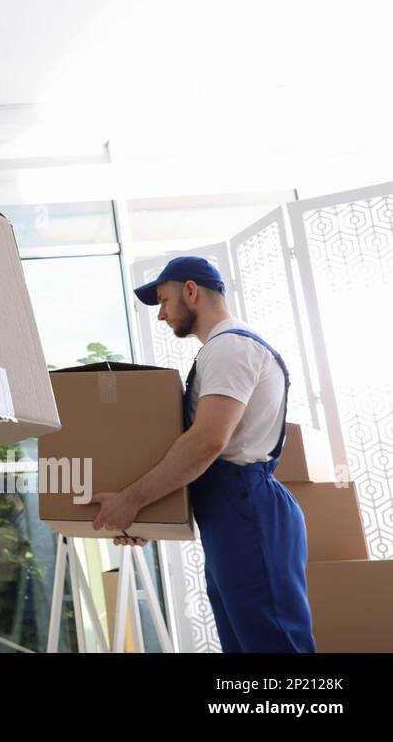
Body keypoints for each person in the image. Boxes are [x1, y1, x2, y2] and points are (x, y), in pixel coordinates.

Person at [92, 256, 314, 652]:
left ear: (191, 291)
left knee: (272, 645)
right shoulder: (222, 350)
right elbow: (203, 452)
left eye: (163, 300)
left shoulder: (230, 348)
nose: (161, 315)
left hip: (247, 509)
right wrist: (148, 516)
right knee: (244, 645)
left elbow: (206, 442)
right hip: (231, 511)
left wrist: (131, 501)